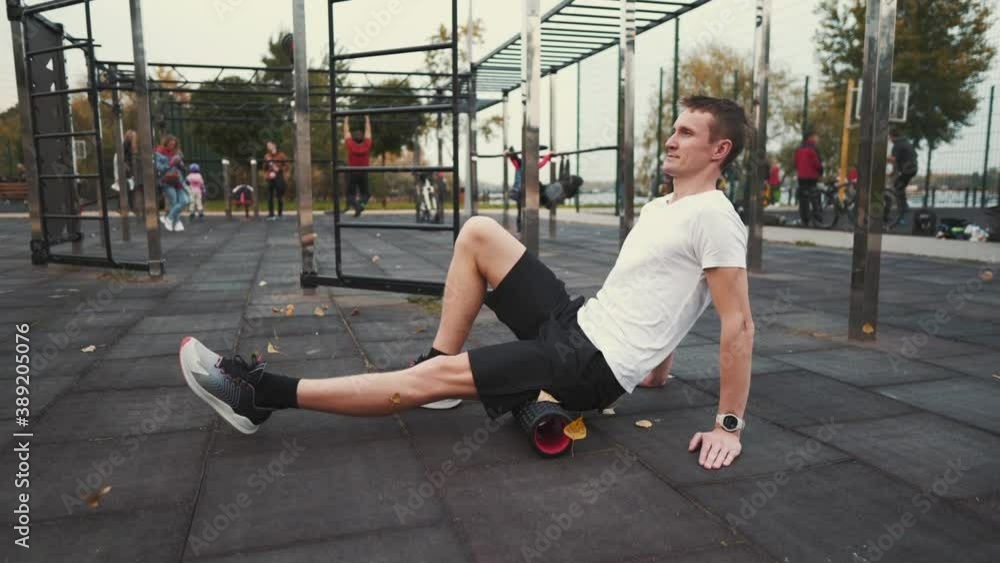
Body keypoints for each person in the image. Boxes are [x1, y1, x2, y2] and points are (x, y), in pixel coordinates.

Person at [180, 95, 754, 471]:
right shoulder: (665, 207)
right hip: (576, 322)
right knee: (479, 232)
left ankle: (261, 396)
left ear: (719, 149)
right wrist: (657, 369)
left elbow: (738, 323)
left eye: (686, 132)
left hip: (587, 367)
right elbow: (670, 293)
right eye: (674, 128)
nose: (671, 139)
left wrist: (727, 424)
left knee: (418, 383)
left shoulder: (714, 217)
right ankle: (441, 366)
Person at [504, 147, 553, 232]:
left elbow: (513, 158)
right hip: (525, 192)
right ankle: (523, 229)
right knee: (526, 210)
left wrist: (548, 156)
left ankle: (521, 230)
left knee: (523, 210)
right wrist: (548, 156)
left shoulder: (520, 163)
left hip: (521, 192)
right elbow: (542, 163)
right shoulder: (526, 164)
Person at [154, 134, 189, 232]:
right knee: (174, 201)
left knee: (185, 200)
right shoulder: (159, 153)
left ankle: (167, 218)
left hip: (178, 180)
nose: (172, 147)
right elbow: (159, 168)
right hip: (167, 180)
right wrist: (170, 164)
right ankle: (177, 222)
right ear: (166, 144)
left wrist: (180, 164)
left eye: (174, 145)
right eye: (170, 144)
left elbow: (183, 168)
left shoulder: (177, 153)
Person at [343, 115, 373, 217]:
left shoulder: (350, 145)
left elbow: (346, 132)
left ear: (353, 138)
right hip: (363, 173)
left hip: (353, 173)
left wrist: (346, 119)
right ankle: (361, 205)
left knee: (349, 195)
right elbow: (368, 131)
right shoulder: (367, 144)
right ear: (363, 138)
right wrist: (367, 119)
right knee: (366, 194)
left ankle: (357, 207)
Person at [887, 129, 917, 226]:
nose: (889, 139)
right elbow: (897, 161)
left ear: (891, 136)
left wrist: (880, 157)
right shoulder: (906, 143)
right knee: (899, 186)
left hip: (906, 170)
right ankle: (903, 207)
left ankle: (902, 209)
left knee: (897, 186)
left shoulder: (897, 145)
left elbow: (893, 159)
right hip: (912, 169)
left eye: (889, 137)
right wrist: (892, 172)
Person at [794, 132, 823, 226]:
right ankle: (817, 218)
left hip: (801, 177)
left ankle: (804, 219)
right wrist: (821, 171)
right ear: (810, 138)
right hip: (811, 177)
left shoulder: (799, 149)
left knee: (803, 198)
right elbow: (816, 163)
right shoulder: (813, 149)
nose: (817, 139)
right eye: (815, 137)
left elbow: (796, 163)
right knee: (814, 197)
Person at [263, 141, 289, 220]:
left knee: (279, 196)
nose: (269, 147)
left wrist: (279, 169)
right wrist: (267, 164)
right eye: (267, 146)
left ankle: (280, 213)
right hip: (270, 177)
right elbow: (264, 167)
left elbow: (287, 166)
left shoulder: (281, 155)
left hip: (279, 176)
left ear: (274, 145)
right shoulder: (267, 156)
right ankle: (271, 214)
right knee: (270, 196)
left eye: (270, 145)